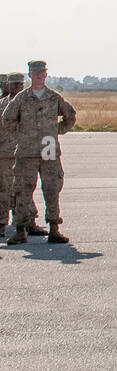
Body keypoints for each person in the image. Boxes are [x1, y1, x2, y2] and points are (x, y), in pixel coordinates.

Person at [3, 60, 77, 244]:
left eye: (42, 73)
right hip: (27, 151)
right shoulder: (21, 98)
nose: (38, 76)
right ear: (30, 75)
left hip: (48, 146)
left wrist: (57, 130)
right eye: (35, 73)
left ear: (46, 75)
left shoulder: (54, 97)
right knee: (22, 190)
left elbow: (70, 116)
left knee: (52, 188)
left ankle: (54, 228)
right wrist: (22, 134)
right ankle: (20, 230)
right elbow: (7, 119)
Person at [0, 72, 24, 235]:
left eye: (20, 84)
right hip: (5, 153)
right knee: (5, 189)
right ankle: (2, 223)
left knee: (23, 188)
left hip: (24, 153)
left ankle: (25, 222)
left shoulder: (28, 103)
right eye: (14, 84)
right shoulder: (2, 104)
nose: (18, 87)